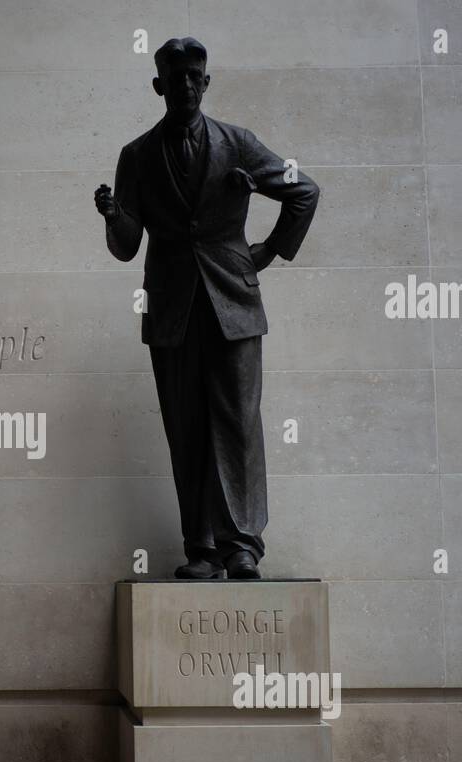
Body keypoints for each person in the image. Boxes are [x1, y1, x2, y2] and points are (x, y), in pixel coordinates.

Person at [94, 36, 319, 580]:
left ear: (207, 82)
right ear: (159, 86)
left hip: (233, 305)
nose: (187, 86)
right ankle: (202, 550)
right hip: (173, 311)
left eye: (195, 77)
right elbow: (128, 246)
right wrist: (114, 216)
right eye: (176, 79)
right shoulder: (136, 156)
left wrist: (268, 250)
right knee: (186, 428)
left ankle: (242, 546)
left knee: (238, 424)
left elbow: (304, 191)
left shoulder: (238, 144)